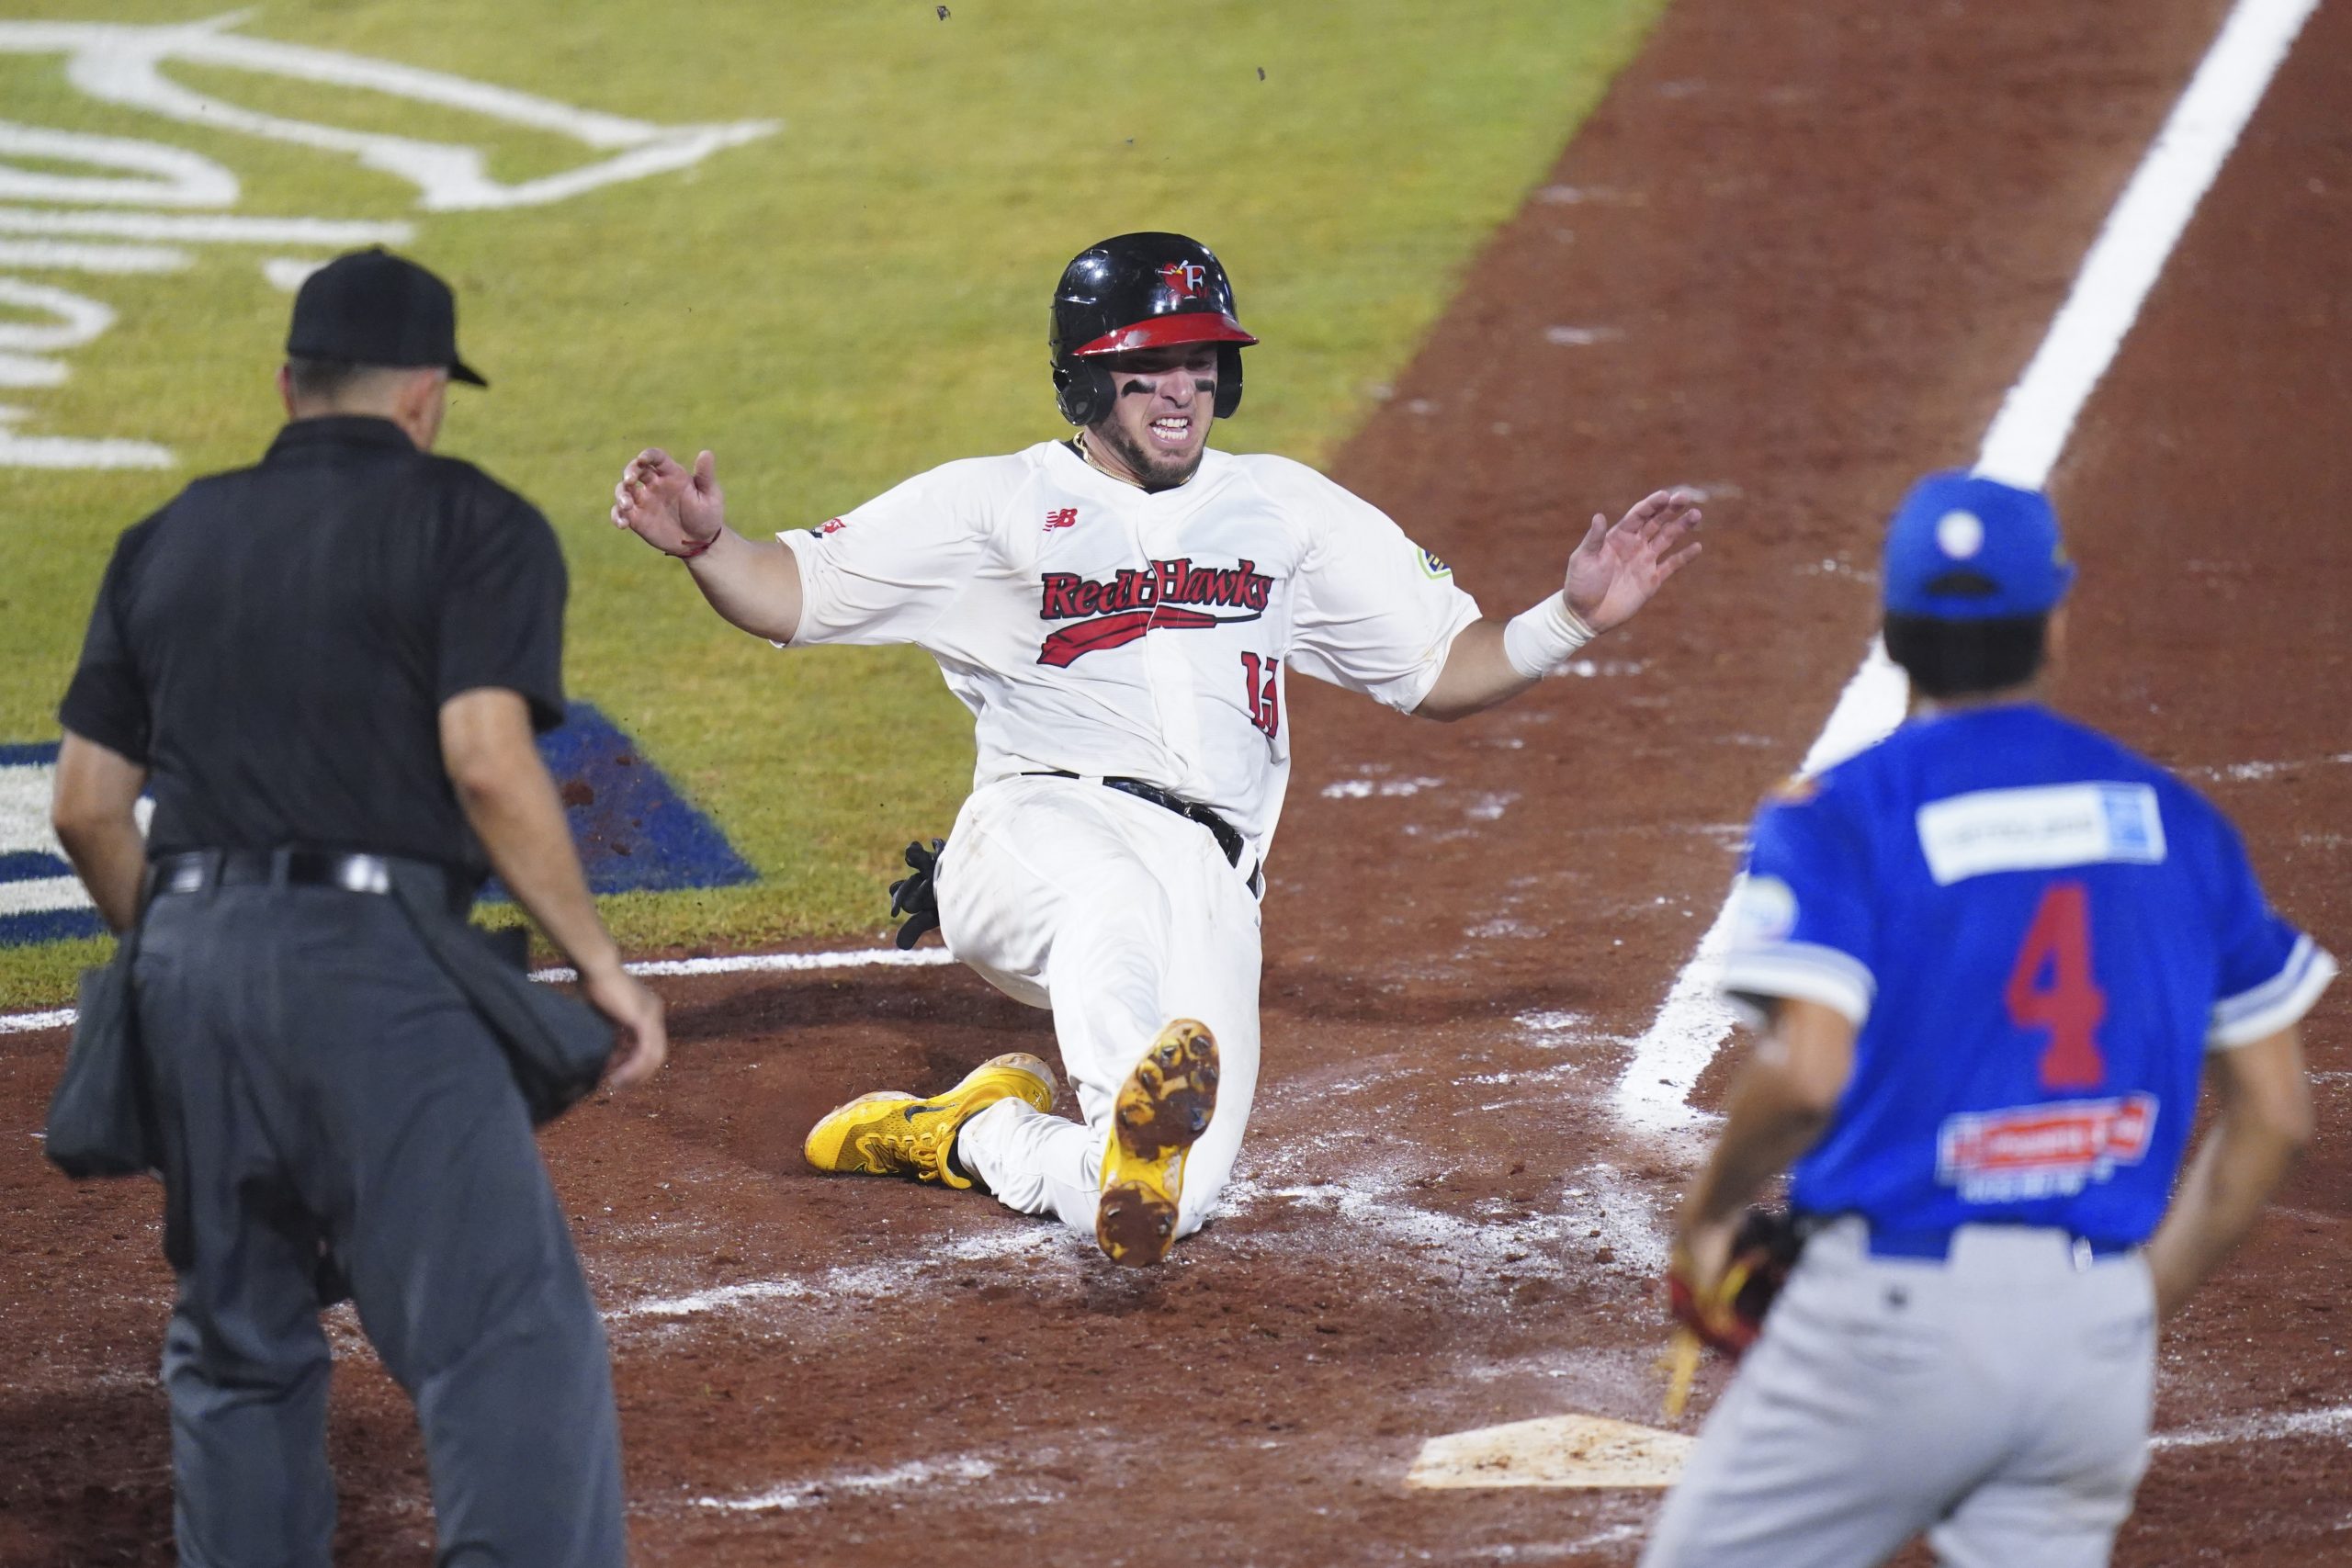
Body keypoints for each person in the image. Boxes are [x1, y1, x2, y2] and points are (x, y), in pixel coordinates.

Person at [611, 231, 1699, 1266]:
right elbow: (788, 591)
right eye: (1149, 366)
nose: (1181, 389)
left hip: (1213, 882)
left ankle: (971, 1132)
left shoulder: (1283, 508)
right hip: (1040, 829)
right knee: (1111, 897)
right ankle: (1138, 1081)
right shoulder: (994, 504)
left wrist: (1569, 618)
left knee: (1163, 1202)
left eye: (1200, 362)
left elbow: (1440, 668)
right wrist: (707, 546)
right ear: (1087, 378)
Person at [49, 247, 668, 1566]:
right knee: (505, 1338)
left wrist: (181, 961)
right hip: (374, 975)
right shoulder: (472, 521)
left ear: (291, 385)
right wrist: (600, 964)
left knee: (239, 1349)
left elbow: (88, 808)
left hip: (188, 964)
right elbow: (487, 760)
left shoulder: (167, 536)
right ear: (426, 394)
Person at [1643, 471, 2331, 1567]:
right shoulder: (2176, 821)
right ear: (2053, 623)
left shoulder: (1839, 816)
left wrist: (1707, 1213)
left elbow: (1806, 1076)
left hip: (1891, 1323)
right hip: (2088, 1349)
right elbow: (2277, 1115)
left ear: (1890, 630)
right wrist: (2131, 1303)